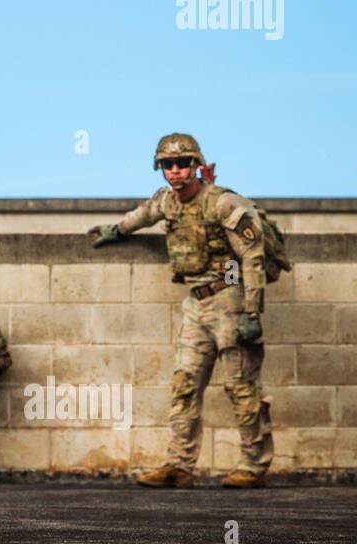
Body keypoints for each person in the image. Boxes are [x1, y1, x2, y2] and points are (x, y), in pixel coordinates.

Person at [89, 133, 273, 488]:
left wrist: (252, 311)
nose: (175, 170)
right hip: (195, 303)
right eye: (167, 165)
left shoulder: (223, 203)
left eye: (183, 163)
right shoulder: (167, 202)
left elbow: (253, 256)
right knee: (184, 384)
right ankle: (179, 465)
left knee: (241, 386)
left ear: (197, 165)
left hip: (230, 299)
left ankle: (253, 465)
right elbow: (143, 215)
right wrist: (117, 230)